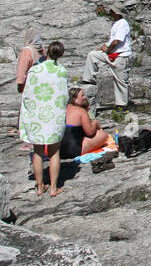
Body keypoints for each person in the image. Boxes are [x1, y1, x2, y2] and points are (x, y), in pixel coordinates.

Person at [19, 40, 68, 198]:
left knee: (38, 152)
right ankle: (53, 188)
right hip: (54, 115)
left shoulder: (35, 70)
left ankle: (40, 187)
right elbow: (64, 95)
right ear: (60, 54)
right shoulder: (61, 71)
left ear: (47, 51)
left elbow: (28, 94)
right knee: (54, 152)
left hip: (38, 115)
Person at [80, 6, 132, 114]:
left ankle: (122, 106)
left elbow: (116, 41)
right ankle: (88, 79)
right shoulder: (116, 23)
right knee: (93, 55)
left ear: (117, 13)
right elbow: (112, 41)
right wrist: (103, 48)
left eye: (112, 11)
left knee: (121, 81)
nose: (110, 12)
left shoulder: (122, 23)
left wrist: (107, 49)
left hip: (120, 55)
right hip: (111, 53)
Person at [60, 88, 118, 160]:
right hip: (74, 150)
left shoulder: (61, 109)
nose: (84, 97)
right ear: (75, 99)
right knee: (103, 135)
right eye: (82, 95)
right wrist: (95, 123)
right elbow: (90, 132)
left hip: (59, 150)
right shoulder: (81, 111)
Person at [16, 27, 46, 150]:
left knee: (28, 114)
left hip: (29, 86)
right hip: (41, 87)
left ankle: (29, 140)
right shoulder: (42, 50)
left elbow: (22, 70)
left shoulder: (27, 51)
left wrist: (20, 84)